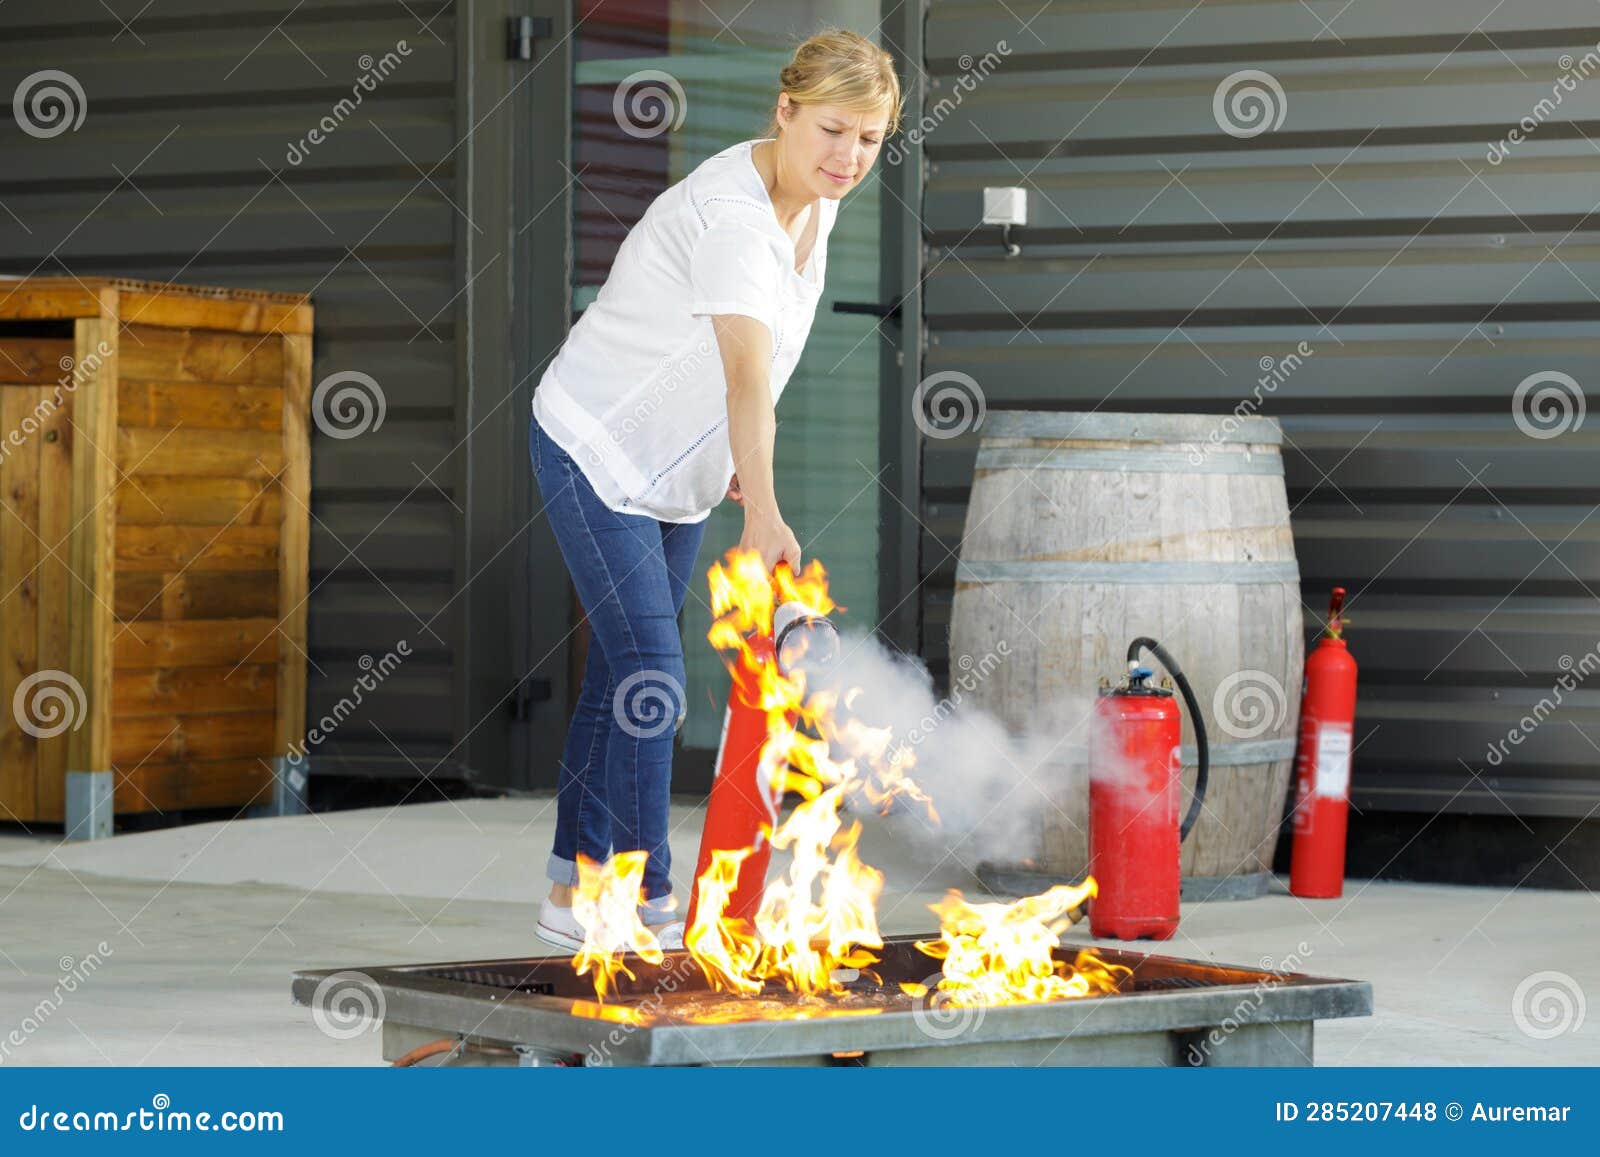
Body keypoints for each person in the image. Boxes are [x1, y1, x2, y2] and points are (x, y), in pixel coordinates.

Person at [529, 28, 902, 952]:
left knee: (620, 673)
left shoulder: (814, 203)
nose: (849, 156)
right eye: (832, 130)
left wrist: (737, 456)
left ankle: (570, 888)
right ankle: (650, 906)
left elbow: (762, 362)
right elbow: (744, 373)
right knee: (652, 674)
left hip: (679, 469)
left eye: (868, 138)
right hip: (596, 447)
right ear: (784, 111)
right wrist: (765, 509)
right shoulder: (735, 220)